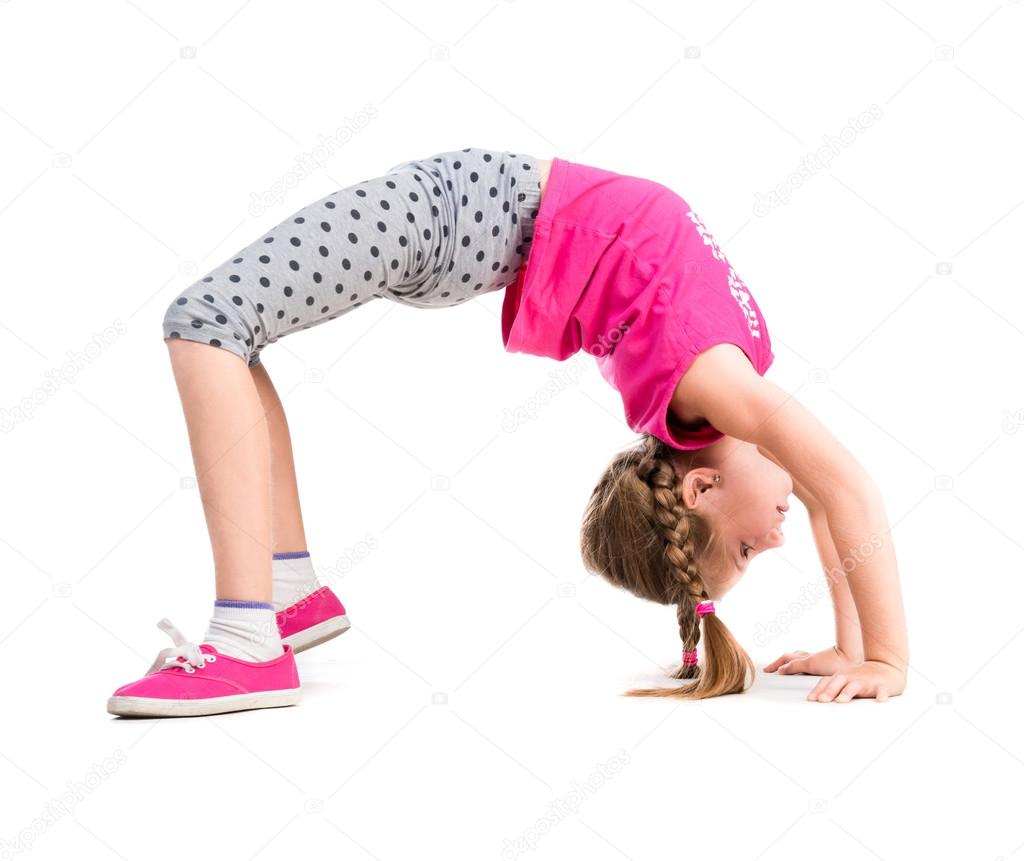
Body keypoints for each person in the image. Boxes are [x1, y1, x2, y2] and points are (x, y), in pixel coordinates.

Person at [107, 146, 908, 717]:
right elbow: (842, 492)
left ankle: (273, 609)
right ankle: (267, 617)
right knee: (215, 321)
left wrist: (851, 645)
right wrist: (882, 657)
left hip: (468, 217)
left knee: (213, 321)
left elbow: (825, 501)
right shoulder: (721, 385)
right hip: (470, 210)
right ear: (700, 485)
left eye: (747, 553)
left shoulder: (723, 398)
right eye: (743, 551)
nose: (775, 540)